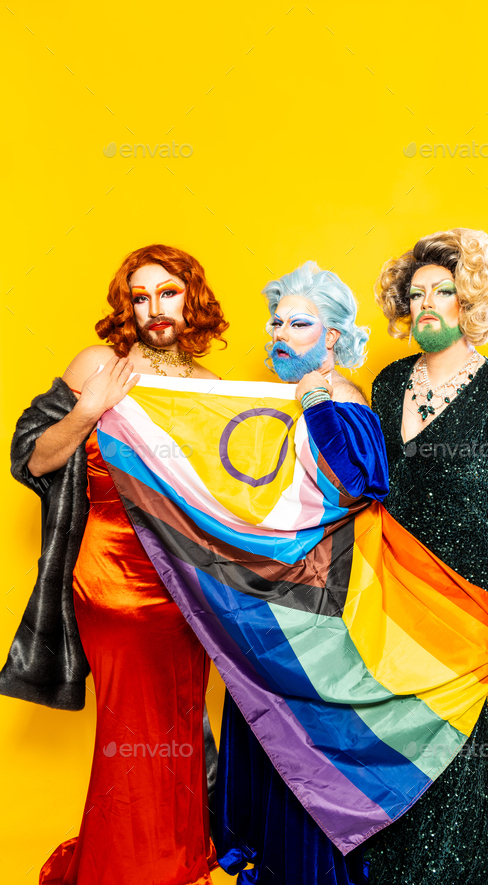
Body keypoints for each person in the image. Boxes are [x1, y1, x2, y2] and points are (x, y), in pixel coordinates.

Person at [1, 244, 227, 885]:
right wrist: (87, 409)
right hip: (111, 584)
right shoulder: (100, 364)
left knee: (182, 721)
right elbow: (33, 461)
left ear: (192, 301)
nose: (155, 308)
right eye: (141, 296)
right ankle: (128, 871)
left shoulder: (212, 389)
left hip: (188, 589)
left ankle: (177, 865)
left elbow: (230, 500)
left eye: (169, 293)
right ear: (127, 307)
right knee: (135, 730)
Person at [368, 228, 488, 883]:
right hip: (392, 592)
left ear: (472, 300)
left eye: (442, 291)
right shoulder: (387, 385)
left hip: (472, 602)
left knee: (449, 749)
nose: (425, 303)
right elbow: (371, 489)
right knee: (394, 744)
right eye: (414, 292)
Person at [212, 260, 388, 885]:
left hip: (320, 603)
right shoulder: (276, 397)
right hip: (262, 601)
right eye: (276, 320)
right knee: (263, 730)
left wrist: (314, 389)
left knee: (305, 744)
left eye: (300, 322)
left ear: (333, 337)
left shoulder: (341, 399)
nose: (281, 331)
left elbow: (354, 481)